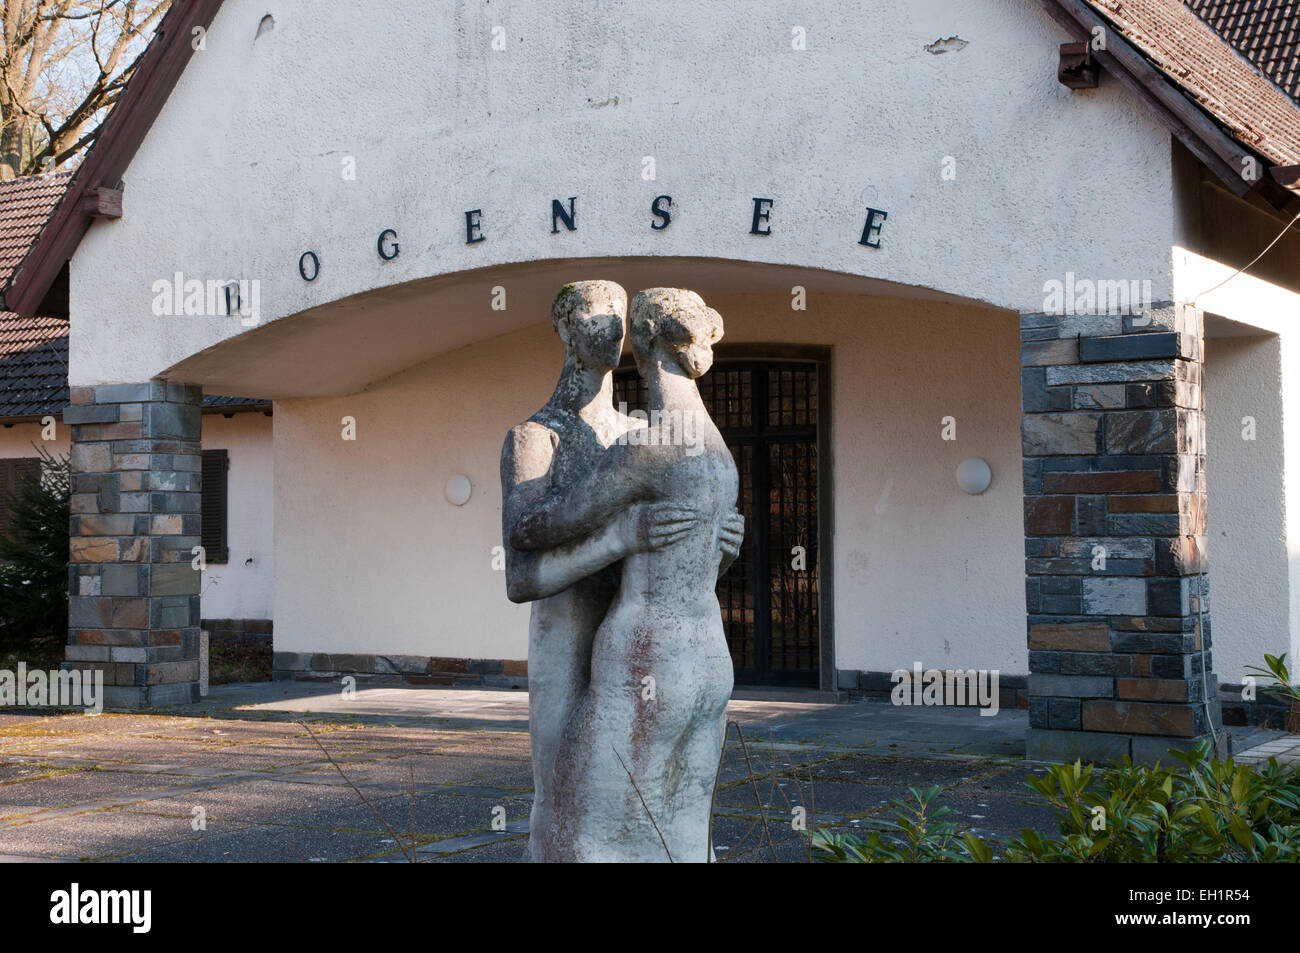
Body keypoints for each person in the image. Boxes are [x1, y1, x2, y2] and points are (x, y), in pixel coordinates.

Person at [500, 280, 740, 862]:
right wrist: (617, 538)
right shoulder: (535, 438)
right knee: (561, 796)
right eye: (595, 312)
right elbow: (521, 578)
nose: (611, 327)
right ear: (562, 325)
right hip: (569, 638)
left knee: (656, 798)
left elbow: (676, 551)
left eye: (620, 314)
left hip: (641, 646)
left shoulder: (641, 435)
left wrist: (718, 545)